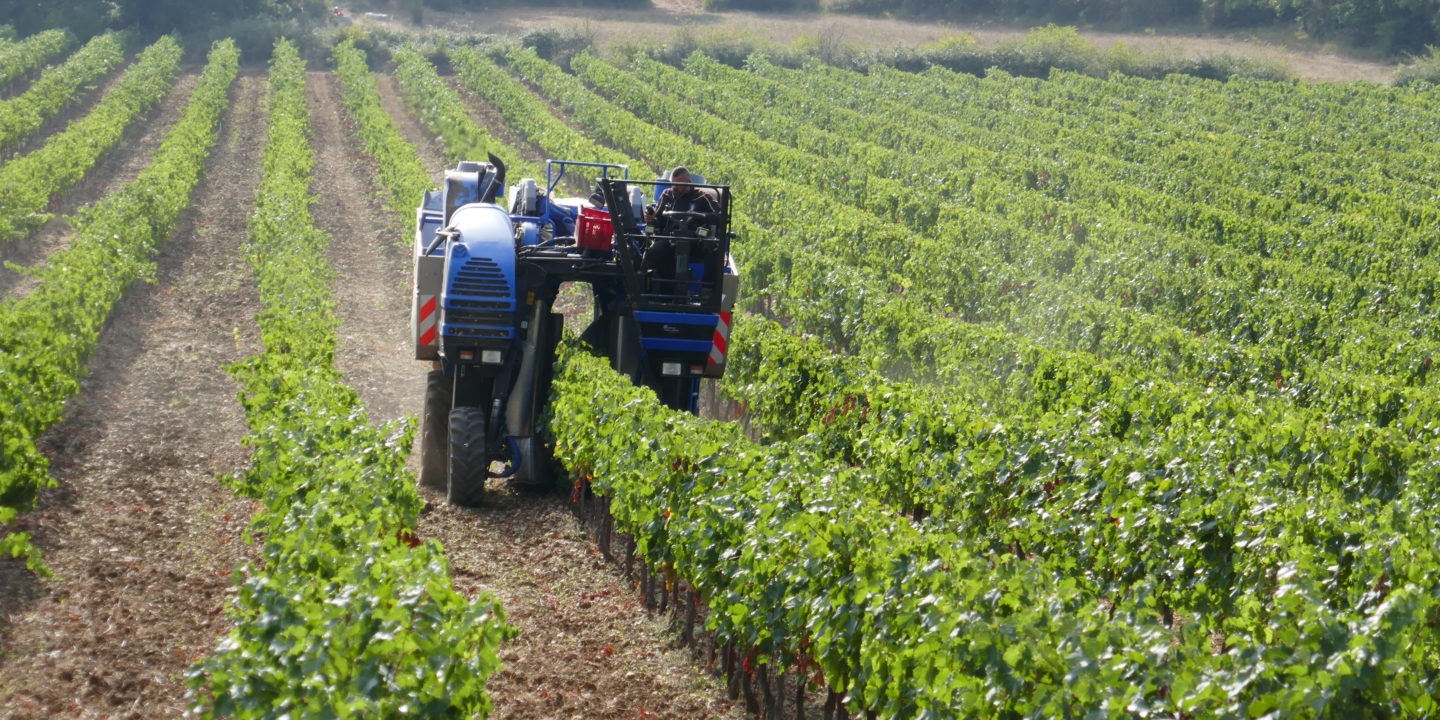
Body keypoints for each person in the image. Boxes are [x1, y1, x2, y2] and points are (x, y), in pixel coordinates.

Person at [642, 167, 721, 294]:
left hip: (695, 240)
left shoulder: (702, 197)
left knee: (714, 251)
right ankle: (668, 288)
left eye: (678, 184)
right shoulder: (667, 195)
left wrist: (701, 215)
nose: (675, 187)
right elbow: (658, 219)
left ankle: (707, 290)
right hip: (670, 239)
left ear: (688, 183)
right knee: (653, 252)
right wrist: (651, 218)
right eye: (673, 184)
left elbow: (720, 216)